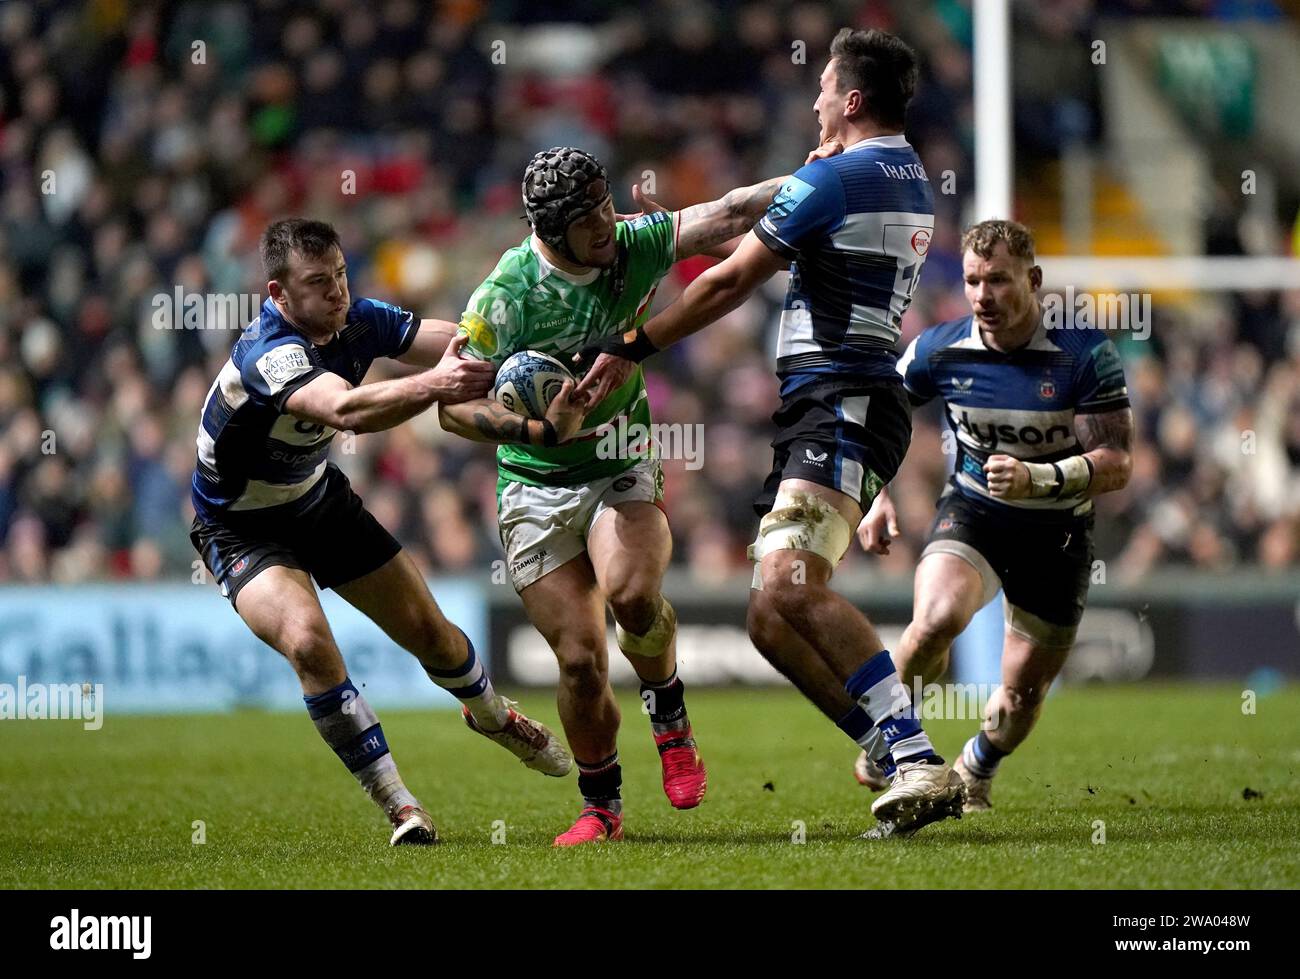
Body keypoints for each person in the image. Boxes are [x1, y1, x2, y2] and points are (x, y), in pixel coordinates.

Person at [577, 28, 964, 836]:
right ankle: (891, 753)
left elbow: (724, 281)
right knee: (766, 618)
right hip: (844, 403)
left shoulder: (842, 176)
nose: (815, 98)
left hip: (839, 400)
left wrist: (629, 346)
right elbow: (753, 208)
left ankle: (918, 753)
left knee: (789, 587)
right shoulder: (898, 171)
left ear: (852, 101)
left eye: (825, 87)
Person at [439, 146, 793, 845]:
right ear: (546, 228)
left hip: (617, 459)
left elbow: (730, 211)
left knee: (632, 595)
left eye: (605, 202)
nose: (605, 221)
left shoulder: (633, 243)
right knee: (578, 657)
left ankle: (667, 709)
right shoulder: (505, 296)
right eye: (585, 216)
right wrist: (536, 426)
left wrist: (824, 173)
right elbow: (451, 409)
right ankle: (601, 805)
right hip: (534, 484)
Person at [189, 218, 570, 847]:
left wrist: (532, 345)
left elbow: (447, 342)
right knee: (309, 644)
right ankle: (400, 805)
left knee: (434, 637)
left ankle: (495, 717)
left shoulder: (361, 318)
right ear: (279, 294)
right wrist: (437, 384)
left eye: (340, 274)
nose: (337, 291)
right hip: (239, 529)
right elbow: (345, 411)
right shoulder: (271, 351)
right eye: (318, 283)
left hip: (316, 503)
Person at [853, 219, 1134, 812]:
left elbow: (1118, 463)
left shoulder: (1084, 355)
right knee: (933, 621)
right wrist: (873, 493)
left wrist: (1042, 477)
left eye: (1000, 280)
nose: (984, 295)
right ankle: (893, 741)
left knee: (1021, 695)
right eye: (974, 281)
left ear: (1033, 280)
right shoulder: (939, 348)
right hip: (975, 513)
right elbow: (882, 412)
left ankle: (978, 762)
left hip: (1057, 533)